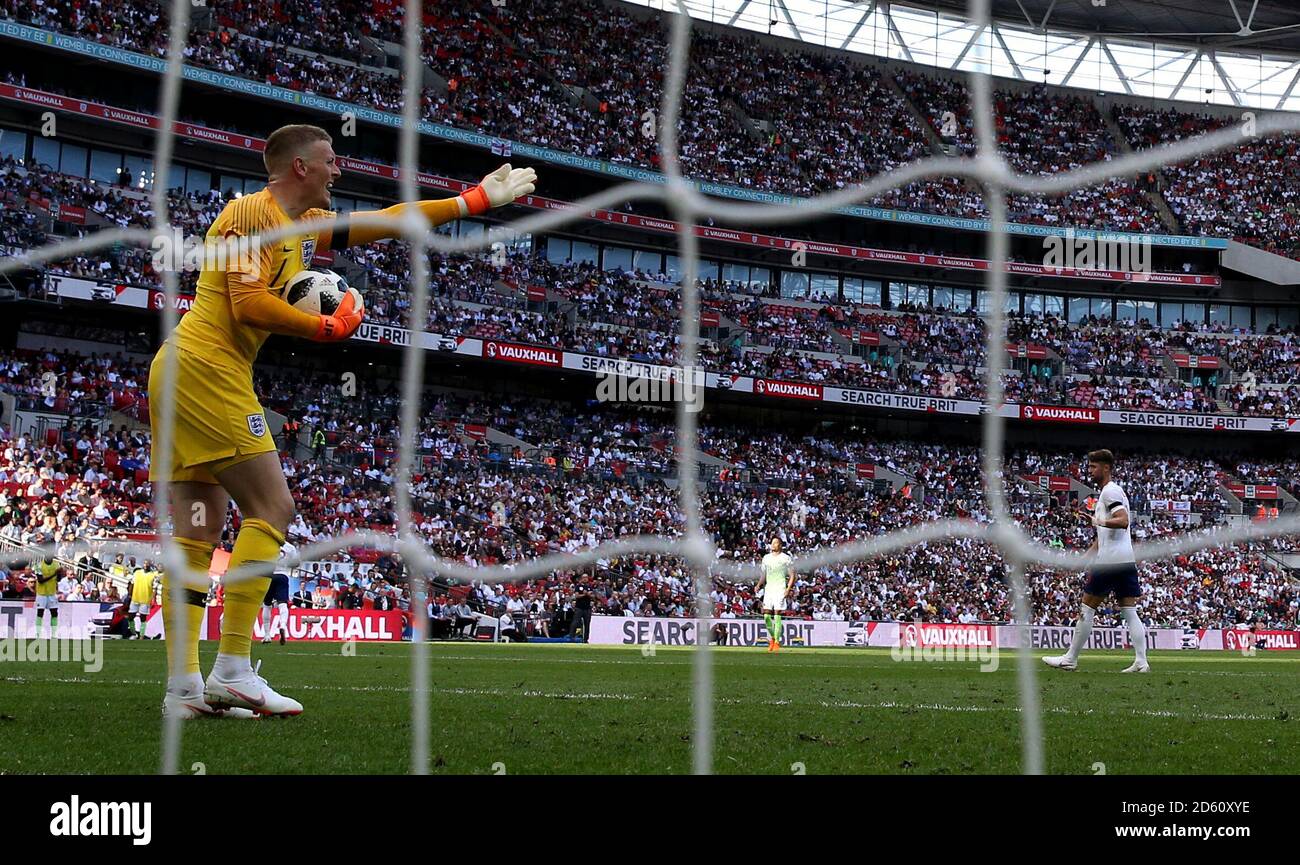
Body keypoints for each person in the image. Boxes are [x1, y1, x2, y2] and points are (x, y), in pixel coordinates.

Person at [149, 121, 538, 719]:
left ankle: (183, 691)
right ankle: (231, 669)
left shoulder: (301, 228)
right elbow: (246, 304)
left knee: (198, 533)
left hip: (182, 372)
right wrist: (324, 325)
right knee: (272, 509)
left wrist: (473, 200)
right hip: (205, 368)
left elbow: (387, 220)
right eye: (331, 161)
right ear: (300, 167)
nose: (340, 170)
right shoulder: (251, 214)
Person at [1045, 449, 1149, 673]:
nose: (1089, 470)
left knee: (1087, 607)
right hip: (1125, 560)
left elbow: (1122, 521)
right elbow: (1104, 538)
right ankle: (1141, 661)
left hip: (1110, 562)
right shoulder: (1113, 492)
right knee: (1130, 611)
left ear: (1106, 468)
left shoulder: (1109, 493)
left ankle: (1070, 659)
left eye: (1093, 467)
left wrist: (1097, 519)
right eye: (1089, 466)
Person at [756, 538, 794, 652]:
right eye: (772, 542)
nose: (773, 544)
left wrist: (788, 589)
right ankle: (773, 637)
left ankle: (776, 642)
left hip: (780, 589)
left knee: (777, 614)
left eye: (775, 543)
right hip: (769, 590)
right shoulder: (766, 558)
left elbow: (792, 575)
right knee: (766, 616)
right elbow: (764, 574)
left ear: (780, 545)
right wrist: (758, 585)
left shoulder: (785, 558)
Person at [261, 539, 295, 646]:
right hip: (282, 575)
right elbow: (295, 563)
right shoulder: (289, 547)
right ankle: (283, 626)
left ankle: (267, 635)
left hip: (269, 575)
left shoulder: (266, 543)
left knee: (267, 604)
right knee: (283, 603)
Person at [32, 554, 61, 638]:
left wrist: (59, 573)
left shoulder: (57, 564)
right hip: (41, 593)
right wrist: (54, 574)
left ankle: (54, 634)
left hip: (52, 592)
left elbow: (58, 579)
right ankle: (38, 634)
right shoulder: (38, 565)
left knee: (54, 613)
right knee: (40, 613)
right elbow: (40, 580)